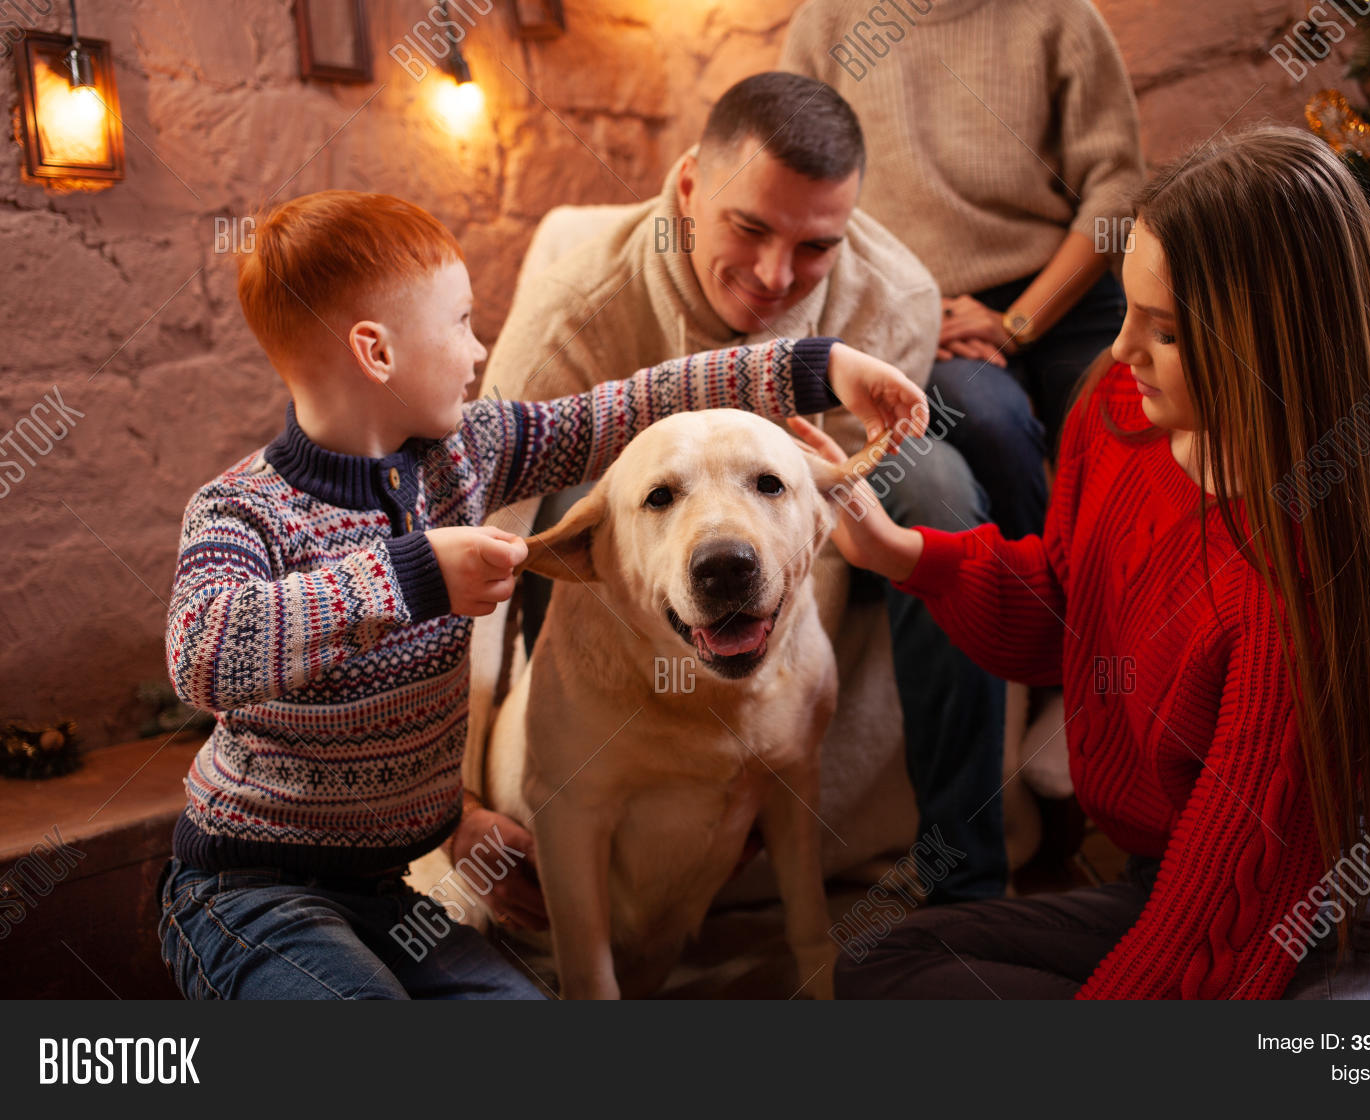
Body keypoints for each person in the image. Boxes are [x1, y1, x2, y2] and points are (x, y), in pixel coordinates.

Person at [155, 189, 927, 999]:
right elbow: (203, 652)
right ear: (376, 353)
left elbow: (630, 405)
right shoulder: (239, 510)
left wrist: (818, 368)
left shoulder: (471, 451)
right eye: (458, 323)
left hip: (389, 893)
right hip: (251, 891)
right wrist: (410, 576)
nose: (480, 348)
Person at [794, 125, 1370, 998]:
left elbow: (1220, 917)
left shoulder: (1302, 582)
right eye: (1127, 311)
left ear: (1273, 345)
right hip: (1176, 878)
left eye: (1168, 332)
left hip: (1324, 904)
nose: (1120, 351)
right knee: (887, 961)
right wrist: (901, 553)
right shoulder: (1118, 410)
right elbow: (1076, 614)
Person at [484, 71, 1025, 904]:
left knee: (943, 488)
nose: (776, 275)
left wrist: (765, 753)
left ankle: (965, 876)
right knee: (569, 508)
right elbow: (486, 538)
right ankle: (558, 775)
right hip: (627, 544)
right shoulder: (572, 318)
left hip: (796, 540)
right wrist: (450, 807)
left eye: (817, 246)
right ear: (693, 183)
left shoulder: (897, 298)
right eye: (749, 228)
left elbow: (817, 525)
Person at [781, 0, 1145, 487]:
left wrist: (1018, 322)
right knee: (993, 425)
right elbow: (799, 188)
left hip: (1069, 289)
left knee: (1121, 431)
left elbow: (1116, 189)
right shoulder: (825, 21)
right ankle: (1030, 565)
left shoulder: (1062, 15)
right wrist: (907, 315)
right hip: (933, 313)